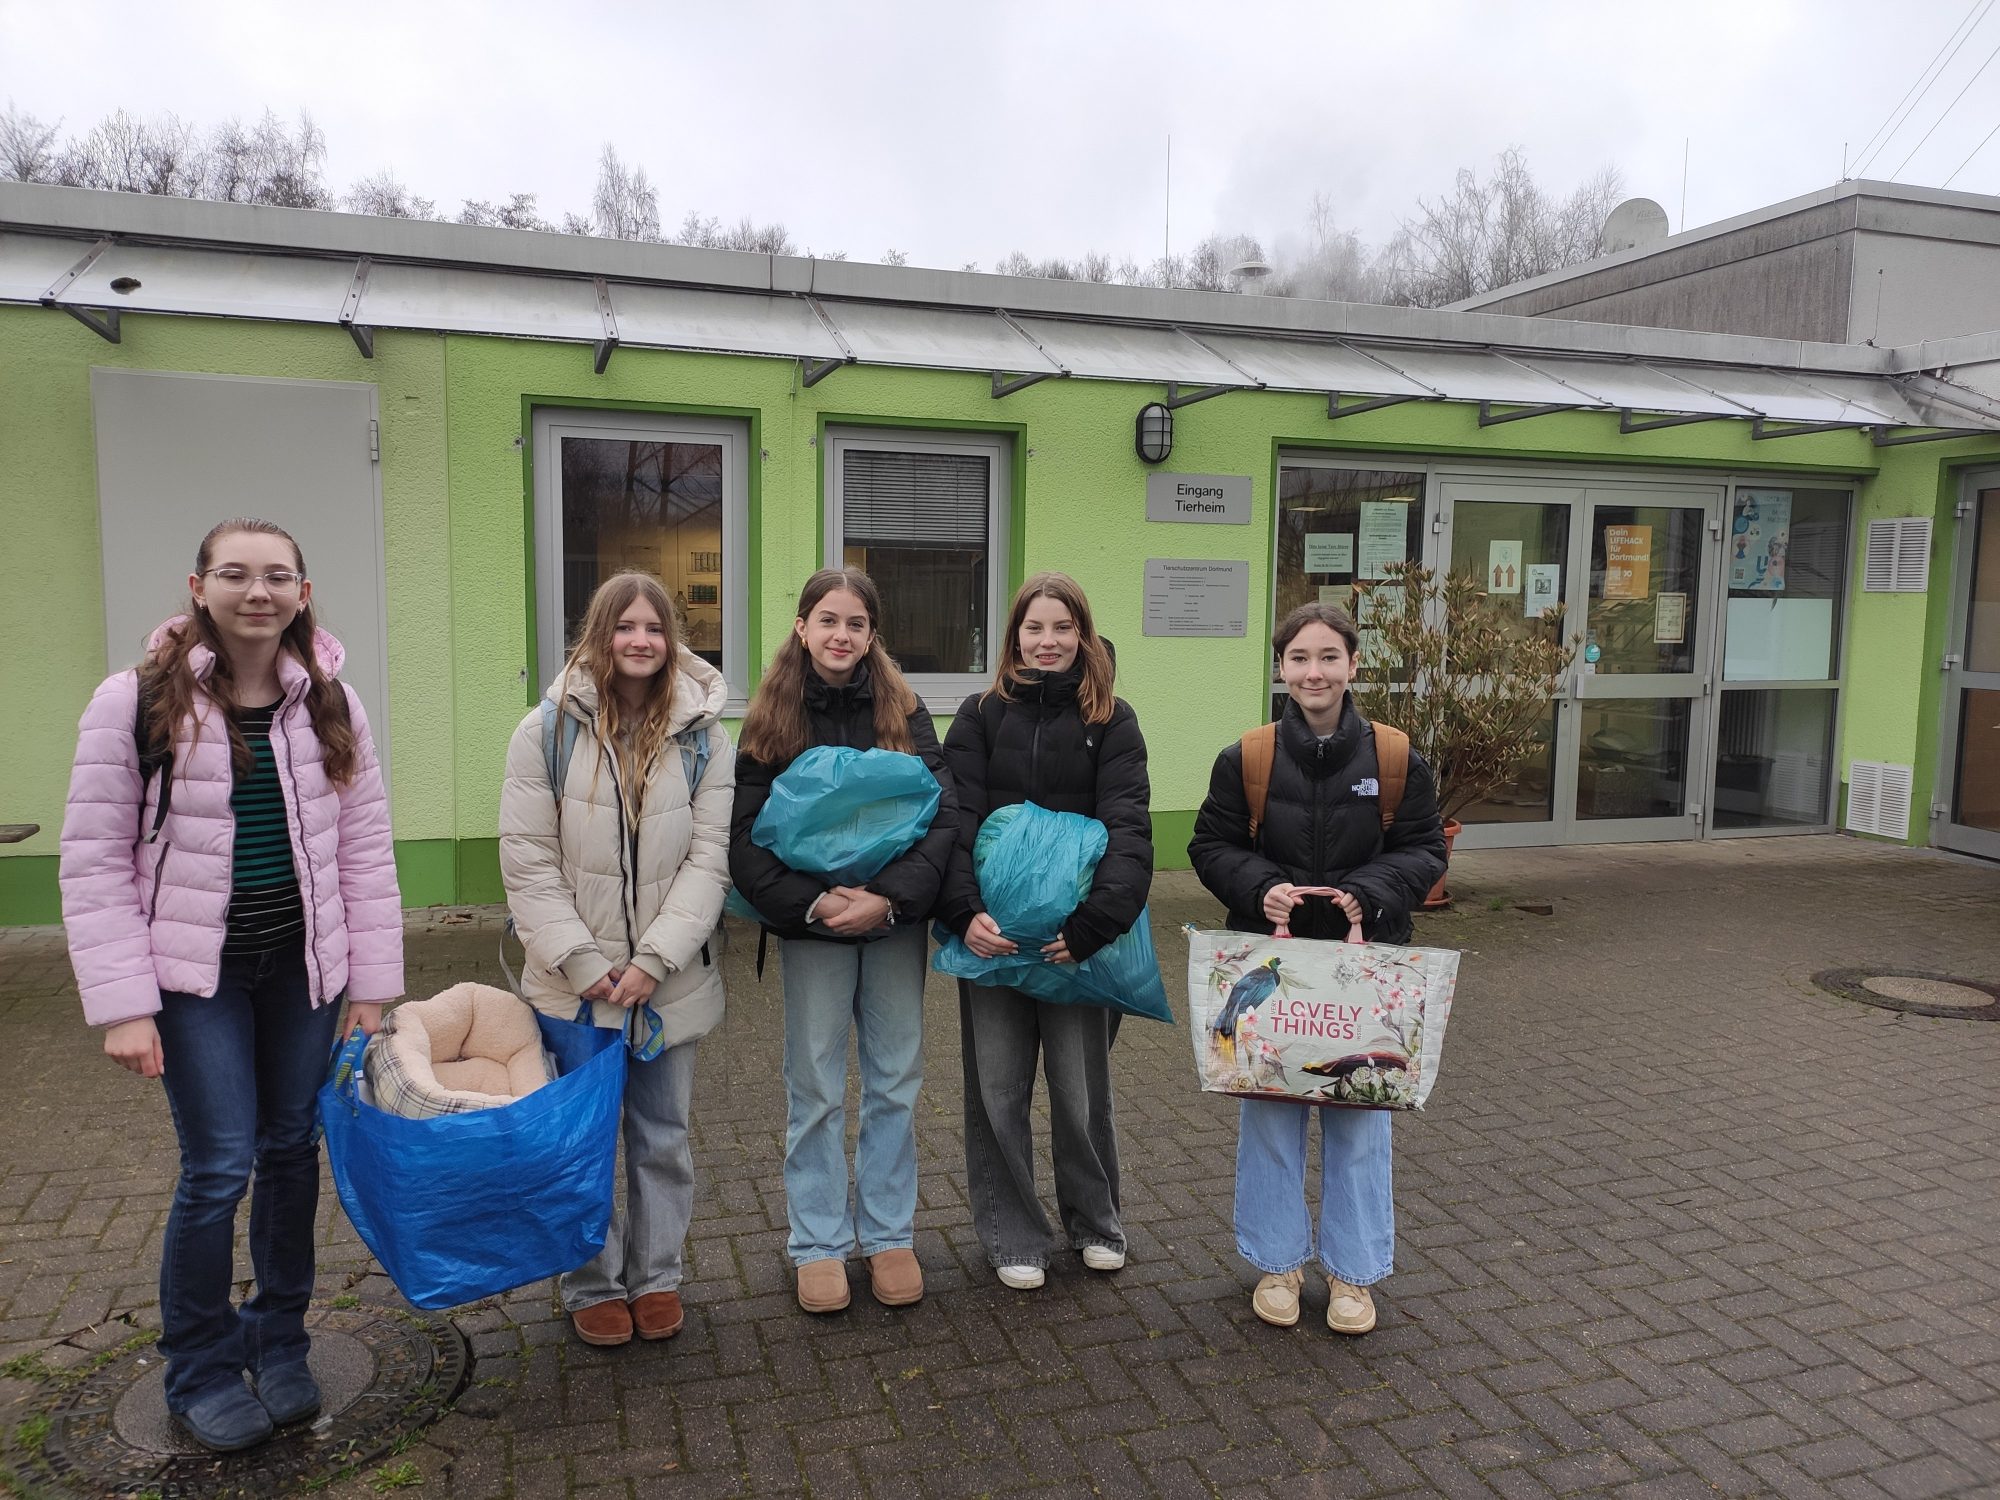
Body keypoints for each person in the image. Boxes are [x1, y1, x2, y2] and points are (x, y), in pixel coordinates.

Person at [59, 518, 404, 1452]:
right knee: (217, 1168)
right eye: (237, 574)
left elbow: (365, 848)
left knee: (293, 1150)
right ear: (199, 586)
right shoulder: (132, 702)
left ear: (301, 592)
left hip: (303, 971)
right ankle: (201, 1367)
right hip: (193, 980)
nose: (259, 591)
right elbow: (92, 858)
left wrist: (369, 984)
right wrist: (125, 1004)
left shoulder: (332, 702)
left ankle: (281, 1343)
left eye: (278, 576)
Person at [1187, 602, 1446, 1335]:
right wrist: (1256, 884)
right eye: (1299, 657)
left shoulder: (1396, 758)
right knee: (1271, 1115)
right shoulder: (1249, 757)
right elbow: (1212, 845)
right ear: (1281, 668)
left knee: (1359, 1121)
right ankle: (1277, 1264)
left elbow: (1426, 850)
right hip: (1273, 968)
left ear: (1353, 665)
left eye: (1329, 656)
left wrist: (1371, 891)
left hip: (1364, 974)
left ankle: (1352, 1276)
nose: (1314, 671)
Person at [499, 573, 734, 1349]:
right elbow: (528, 863)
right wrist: (582, 961)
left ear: (673, 640)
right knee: (585, 1139)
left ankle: (657, 1277)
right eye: (625, 627)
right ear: (599, 635)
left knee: (663, 1136)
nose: (640, 641)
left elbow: (710, 859)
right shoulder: (544, 731)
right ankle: (591, 1281)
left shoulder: (704, 734)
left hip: (668, 982)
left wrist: (655, 960)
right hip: (575, 987)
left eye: (655, 628)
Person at [730, 568, 956, 1314]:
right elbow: (744, 842)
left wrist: (886, 899)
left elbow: (943, 818)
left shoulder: (905, 708)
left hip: (892, 925)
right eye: (828, 620)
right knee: (817, 1087)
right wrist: (818, 903)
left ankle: (889, 1235)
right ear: (802, 627)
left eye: (856, 623)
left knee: (894, 1081)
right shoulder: (770, 718)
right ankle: (819, 1243)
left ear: (871, 634)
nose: (841, 635)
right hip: (815, 929)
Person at [939, 571, 1151, 1290]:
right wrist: (961, 913)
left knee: (1079, 1091)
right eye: (1035, 628)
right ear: (1014, 637)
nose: (1049, 641)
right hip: (991, 941)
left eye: (1063, 628)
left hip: (1074, 944)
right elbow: (952, 820)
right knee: (996, 1091)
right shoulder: (977, 716)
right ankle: (1013, 1234)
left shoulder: (1112, 720)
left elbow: (1129, 826)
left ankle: (1096, 1223)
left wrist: (1094, 926)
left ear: (1083, 636)